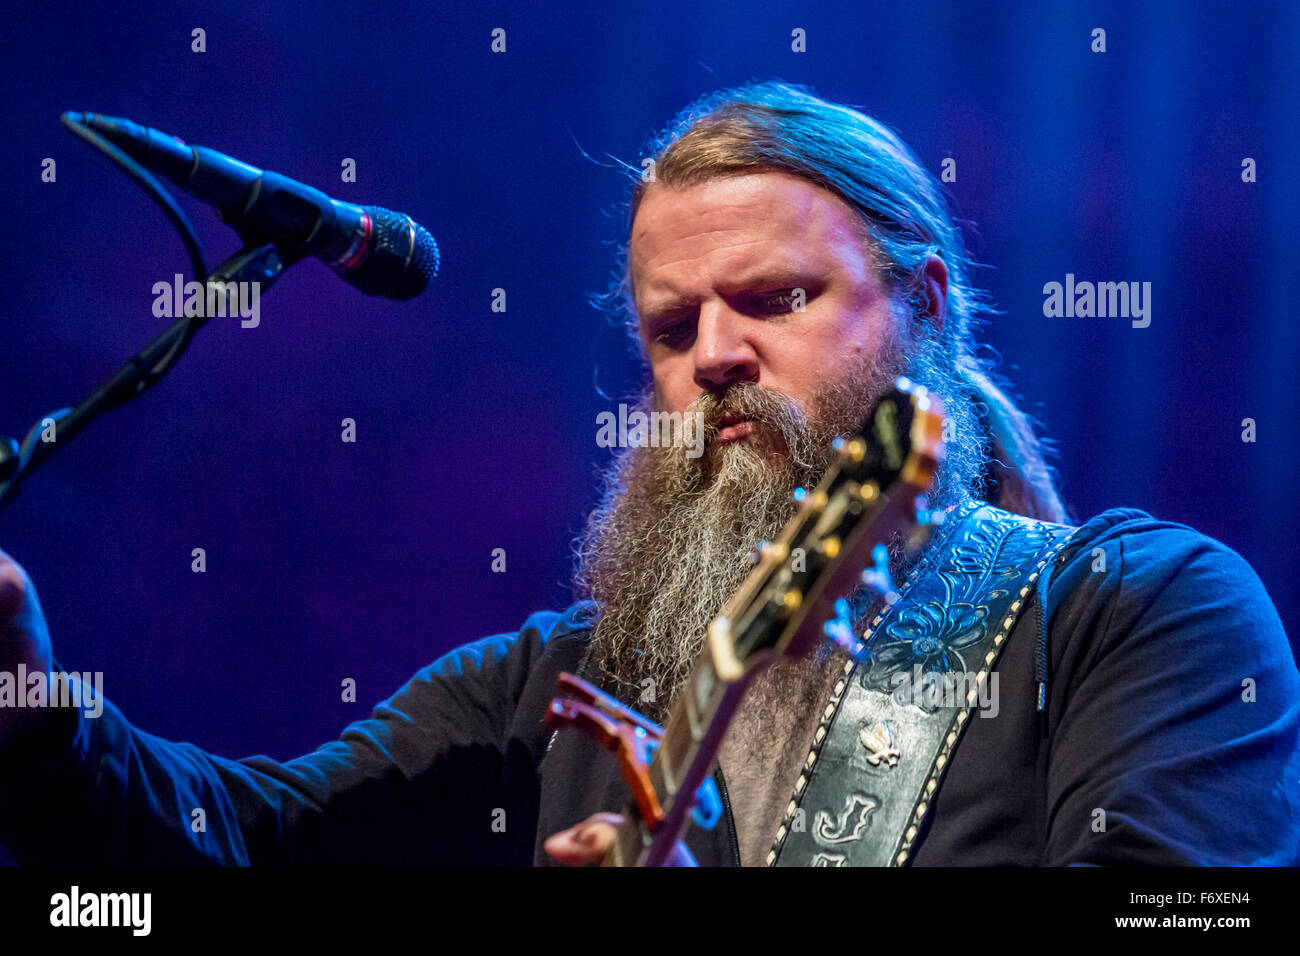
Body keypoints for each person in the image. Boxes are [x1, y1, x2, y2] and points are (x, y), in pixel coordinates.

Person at [1, 82, 1296, 867]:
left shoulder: (1140, 614)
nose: (716, 356)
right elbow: (237, 850)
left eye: (776, 299)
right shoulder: (556, 688)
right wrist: (29, 705)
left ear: (926, 311)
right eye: (671, 329)